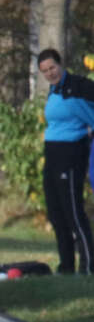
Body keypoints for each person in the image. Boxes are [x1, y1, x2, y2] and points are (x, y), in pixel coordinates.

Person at [37, 48, 94, 275]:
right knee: (55, 212)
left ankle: (88, 266)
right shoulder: (55, 90)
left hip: (70, 154)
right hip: (52, 154)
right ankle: (66, 266)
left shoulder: (77, 86)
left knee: (72, 211)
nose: (50, 73)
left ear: (61, 65)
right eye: (44, 71)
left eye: (52, 68)